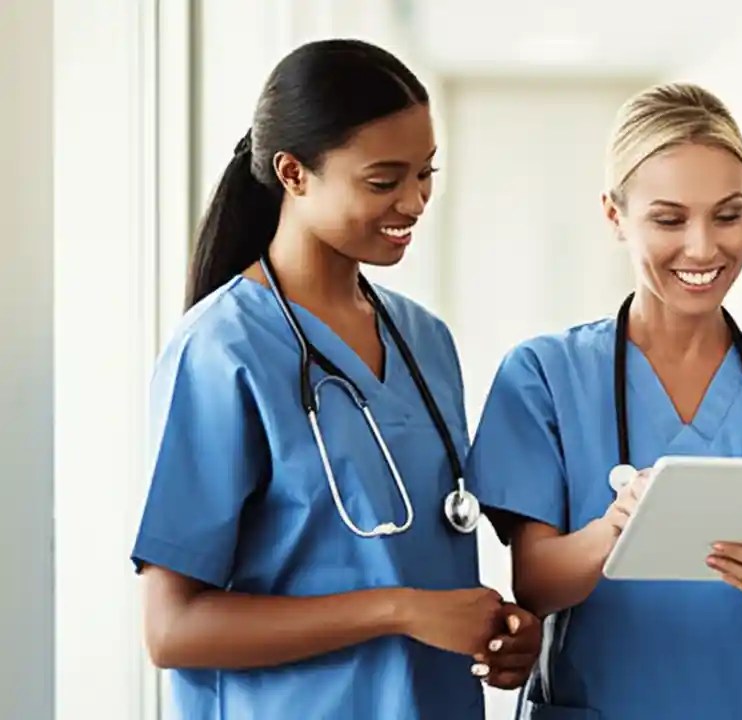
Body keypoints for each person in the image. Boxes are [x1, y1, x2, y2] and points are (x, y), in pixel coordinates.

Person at [129, 39, 540, 719]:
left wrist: (497, 637)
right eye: (383, 181)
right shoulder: (221, 349)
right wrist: (400, 610)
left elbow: (421, 561)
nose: (415, 201)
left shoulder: (424, 341)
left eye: (425, 174)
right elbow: (172, 629)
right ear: (294, 174)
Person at [463, 82, 742, 720]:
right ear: (614, 216)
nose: (703, 247)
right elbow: (535, 584)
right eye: (669, 219)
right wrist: (613, 530)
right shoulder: (545, 374)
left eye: (728, 215)